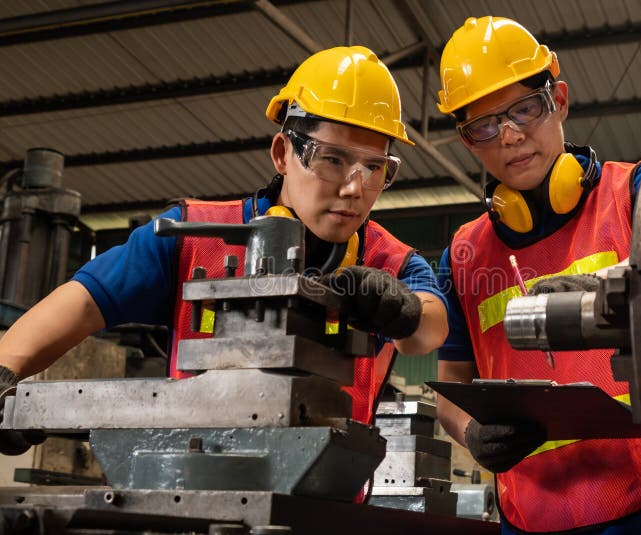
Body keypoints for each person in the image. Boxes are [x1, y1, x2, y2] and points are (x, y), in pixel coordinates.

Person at [0, 45, 448, 452]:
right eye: (331, 159)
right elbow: (82, 302)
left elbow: (430, 328)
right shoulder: (192, 238)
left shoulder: (393, 261)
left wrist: (400, 309)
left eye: (375, 168)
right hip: (191, 492)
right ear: (281, 153)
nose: (355, 188)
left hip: (329, 503)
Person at [434, 16, 641, 534]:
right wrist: (472, 430)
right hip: (534, 516)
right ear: (467, 142)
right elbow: (449, 389)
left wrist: (620, 287)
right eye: (484, 125)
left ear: (560, 100)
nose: (511, 135)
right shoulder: (463, 255)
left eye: (526, 108)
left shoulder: (638, 195)